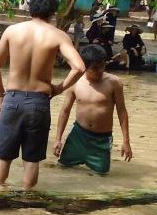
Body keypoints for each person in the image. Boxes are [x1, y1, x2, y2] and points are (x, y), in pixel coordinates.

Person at [0, 0, 86, 189]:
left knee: (4, 157)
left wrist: (1, 96)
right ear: (53, 12)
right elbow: (79, 68)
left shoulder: (12, 31)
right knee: (32, 159)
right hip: (38, 103)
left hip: (12, 100)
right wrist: (59, 89)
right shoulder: (57, 35)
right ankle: (27, 203)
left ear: (31, 7)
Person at [53, 44, 132, 175]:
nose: (100, 70)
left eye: (102, 66)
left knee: (101, 175)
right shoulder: (75, 82)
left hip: (101, 140)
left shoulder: (114, 82)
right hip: (78, 136)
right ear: (84, 67)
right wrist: (58, 139)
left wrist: (126, 141)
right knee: (63, 169)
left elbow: (122, 112)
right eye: (95, 68)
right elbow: (65, 111)